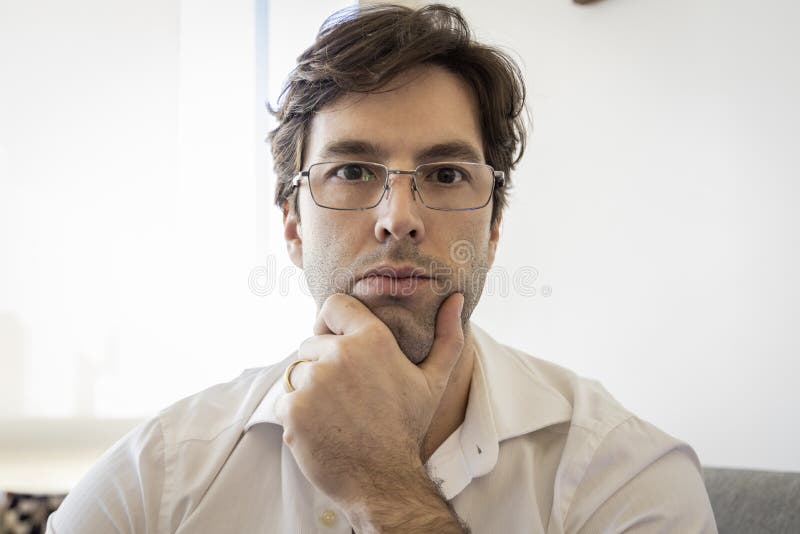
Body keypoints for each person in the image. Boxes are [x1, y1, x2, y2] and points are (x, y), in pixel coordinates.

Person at [48, 4, 717, 533]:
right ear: (291, 227)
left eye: (447, 172)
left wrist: (386, 487)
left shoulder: (627, 481)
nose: (399, 216)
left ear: (494, 231)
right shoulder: (153, 484)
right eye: (352, 170)